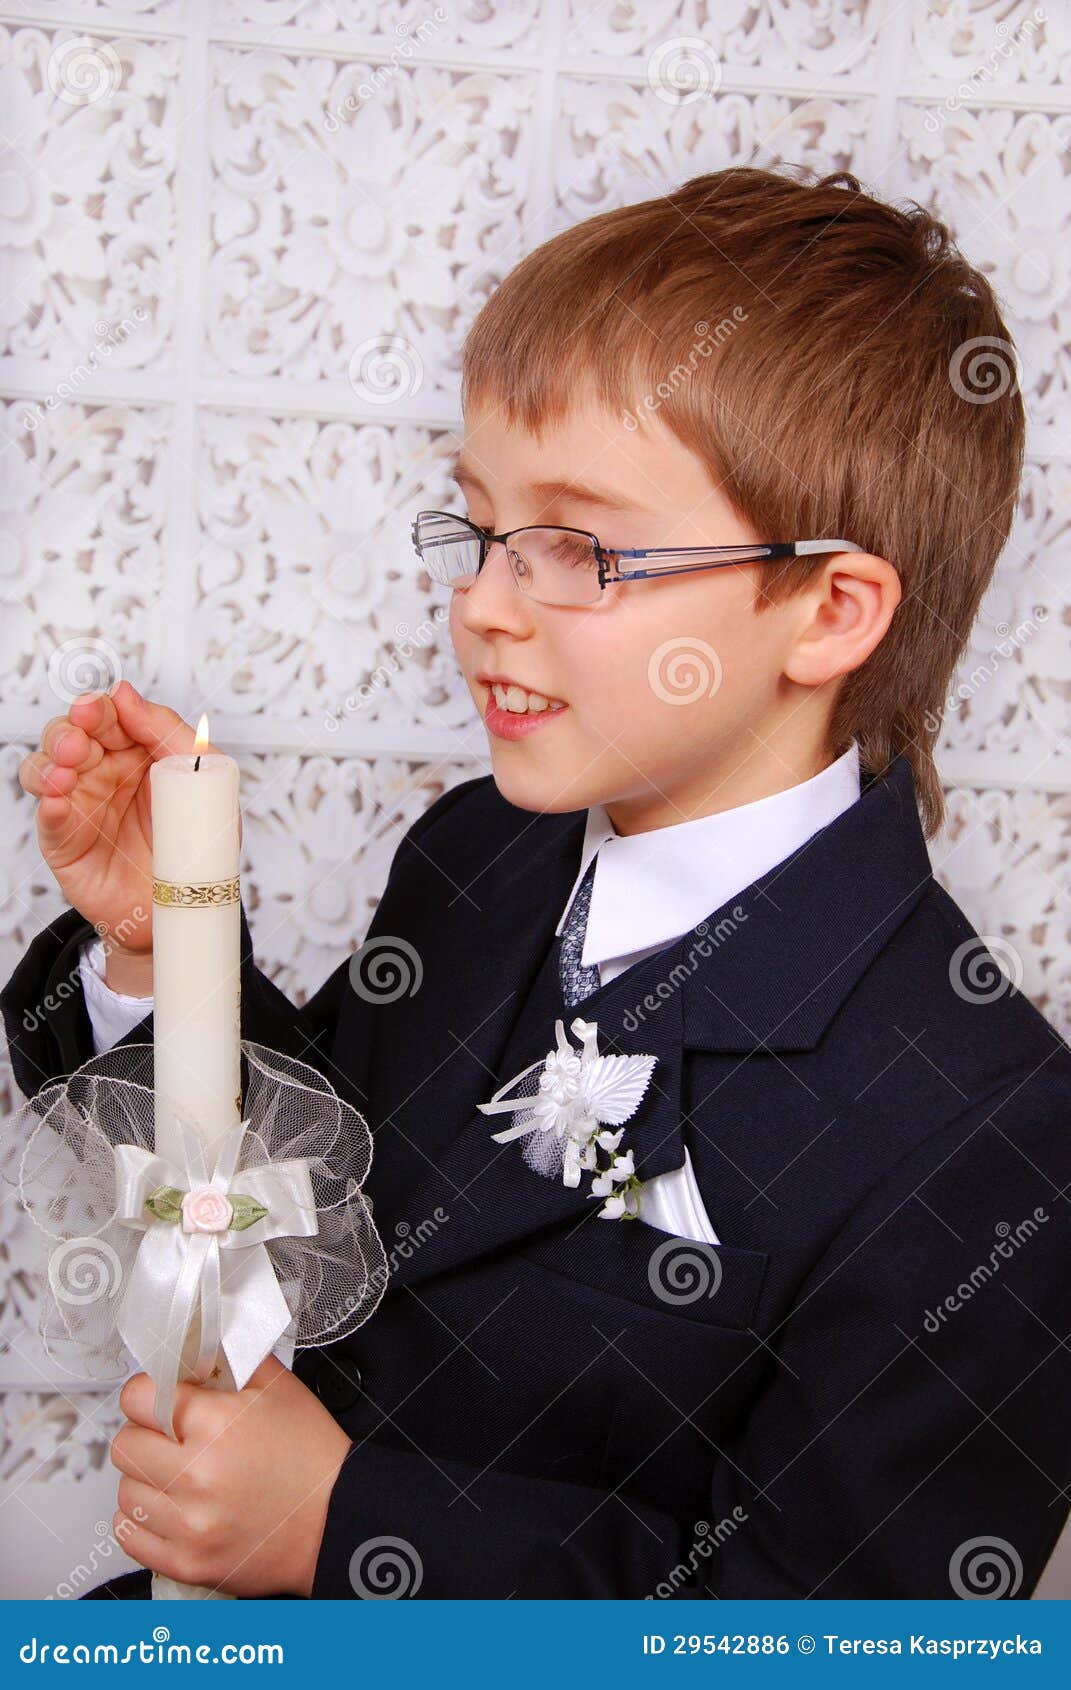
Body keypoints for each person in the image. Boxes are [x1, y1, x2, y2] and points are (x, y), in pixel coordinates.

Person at [5, 166, 1070, 1601]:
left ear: (828, 611)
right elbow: (307, 1197)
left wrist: (343, 1524)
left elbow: (839, 1639)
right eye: (481, 526)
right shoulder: (479, 852)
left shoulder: (994, 1132)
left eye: (580, 548)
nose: (482, 604)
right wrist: (163, 947)